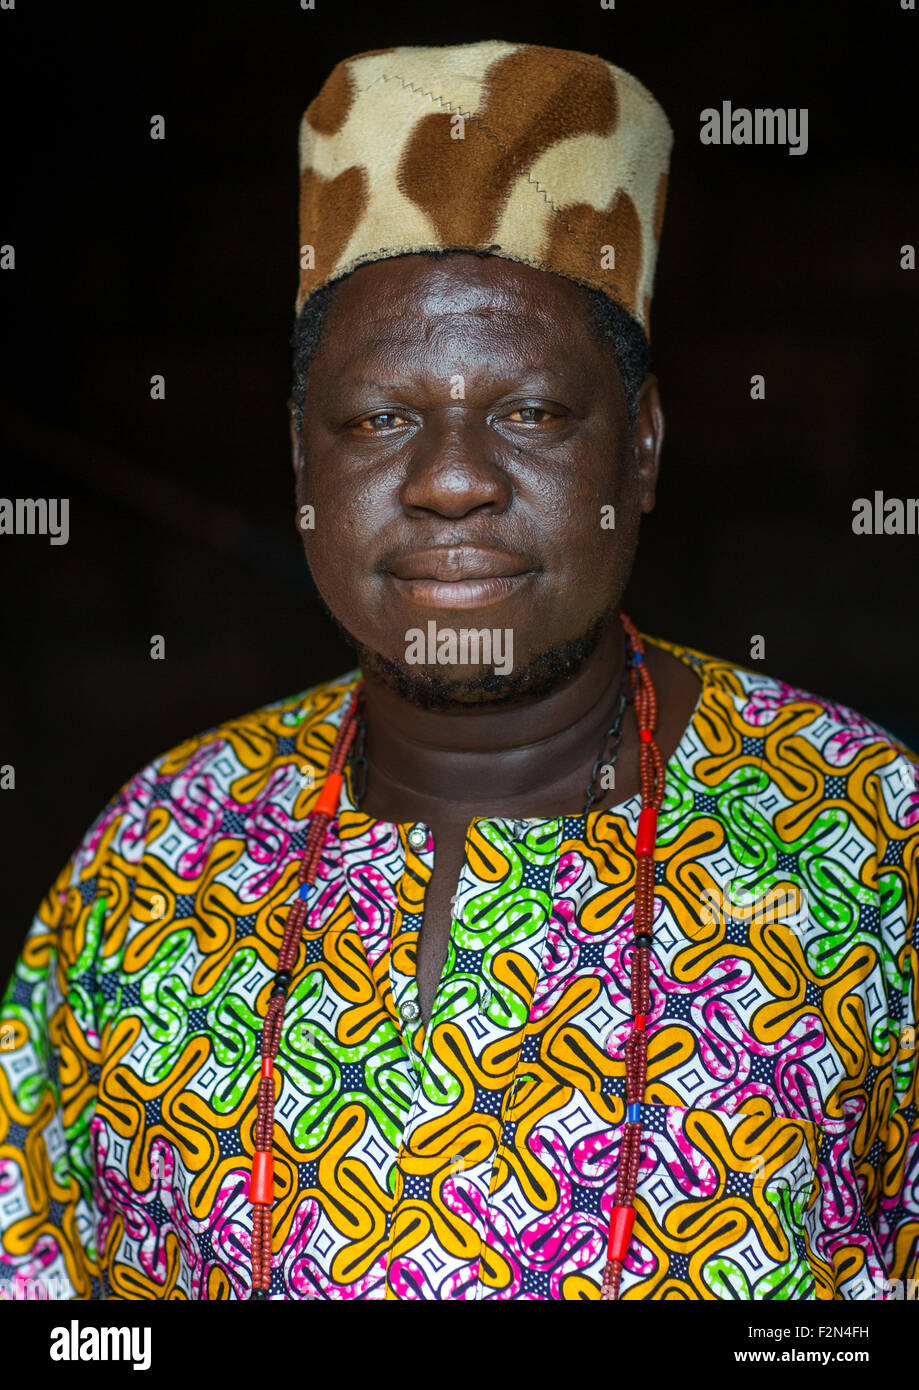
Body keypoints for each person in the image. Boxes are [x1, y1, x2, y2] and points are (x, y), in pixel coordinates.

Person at [1, 39, 917, 1303]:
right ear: (300, 463)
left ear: (639, 452)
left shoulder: (866, 840)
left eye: (532, 412)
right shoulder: (158, 852)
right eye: (379, 418)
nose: (448, 477)